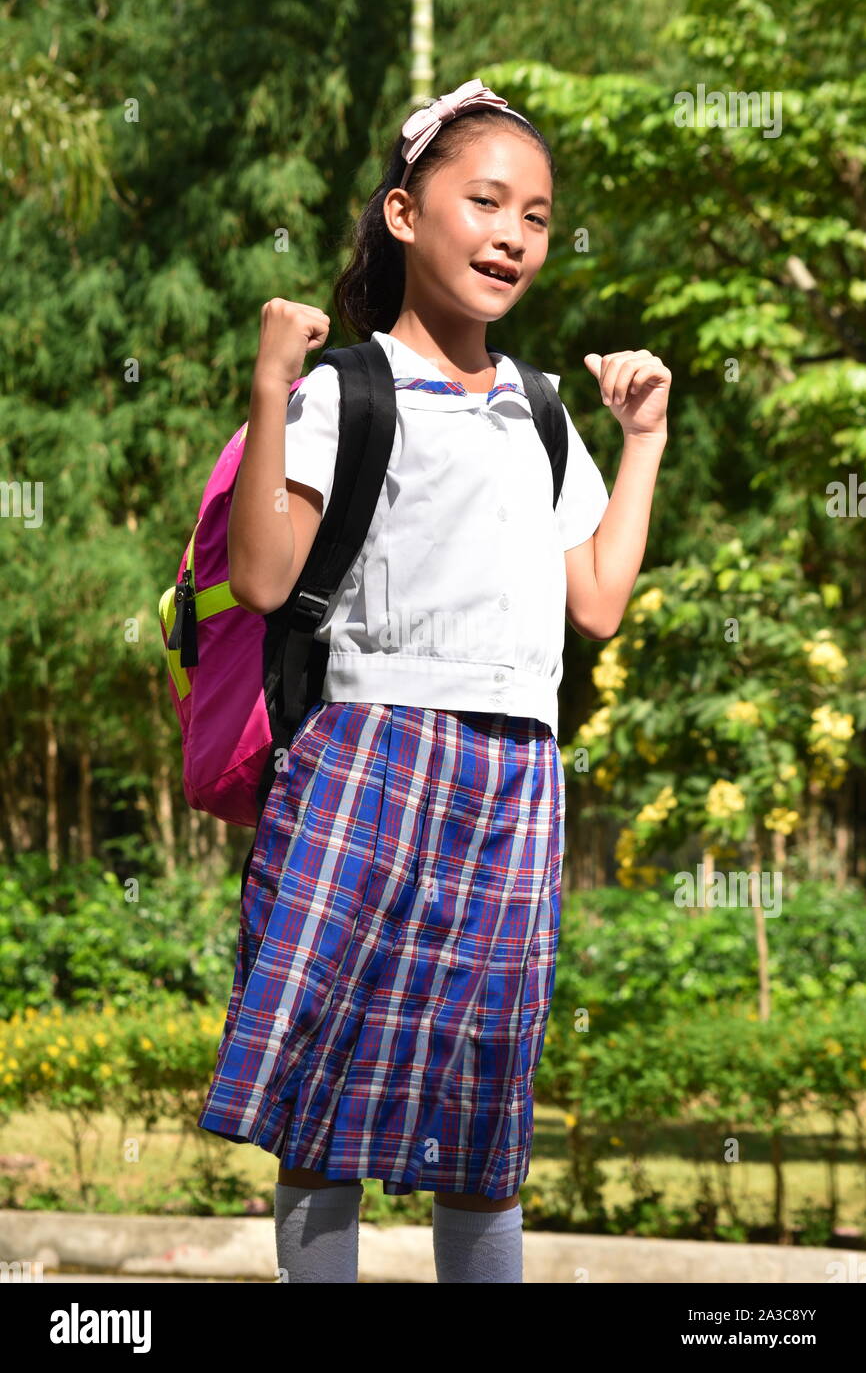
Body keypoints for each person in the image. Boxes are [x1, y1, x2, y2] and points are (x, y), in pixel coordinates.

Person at [197, 77, 671, 1283]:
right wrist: (266, 385)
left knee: (482, 1122)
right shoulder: (344, 391)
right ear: (406, 216)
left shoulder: (542, 410)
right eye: (486, 202)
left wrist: (643, 444)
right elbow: (259, 578)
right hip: (366, 763)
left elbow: (598, 602)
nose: (515, 233)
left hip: (515, 779)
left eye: (538, 216)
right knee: (321, 1105)